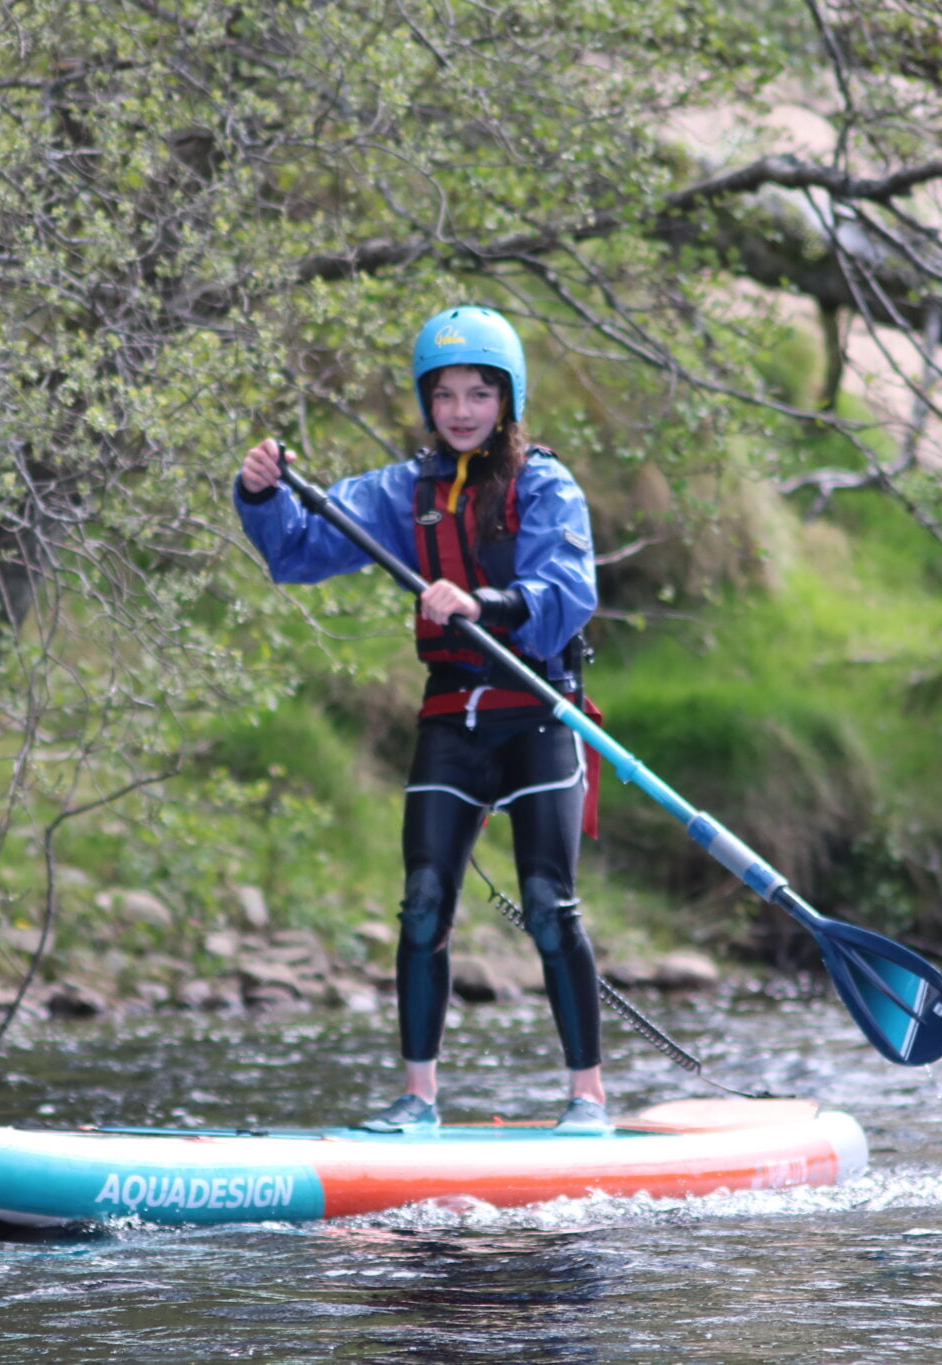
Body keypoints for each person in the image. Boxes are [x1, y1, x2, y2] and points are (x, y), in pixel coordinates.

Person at [234, 305, 609, 1134]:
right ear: (427, 401)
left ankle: (587, 1101)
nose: (463, 410)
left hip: (537, 710)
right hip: (454, 715)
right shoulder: (404, 490)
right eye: (445, 395)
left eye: (480, 392)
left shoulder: (547, 485)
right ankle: (418, 1101)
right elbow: (297, 549)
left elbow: (567, 591)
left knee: (548, 902)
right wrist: (260, 492)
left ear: (508, 399)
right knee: (425, 902)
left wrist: (485, 600)